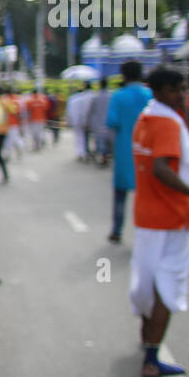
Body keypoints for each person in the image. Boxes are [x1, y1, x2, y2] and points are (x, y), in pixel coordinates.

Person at [129, 68, 189, 377]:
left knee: (148, 282)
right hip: (171, 217)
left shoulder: (146, 119)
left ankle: (147, 345)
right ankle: (152, 359)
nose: (181, 95)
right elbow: (160, 169)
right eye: (175, 90)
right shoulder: (168, 122)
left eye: (182, 89)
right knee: (166, 286)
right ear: (159, 91)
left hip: (147, 216)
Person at [105, 61, 152, 243]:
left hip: (125, 151)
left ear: (123, 76)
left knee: (120, 194)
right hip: (147, 151)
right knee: (146, 194)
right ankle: (146, 229)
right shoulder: (150, 95)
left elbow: (112, 122)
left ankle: (117, 230)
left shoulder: (118, 97)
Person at [65, 83, 94, 162]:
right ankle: (84, 152)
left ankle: (81, 153)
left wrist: (69, 121)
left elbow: (69, 112)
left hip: (76, 121)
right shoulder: (84, 98)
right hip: (84, 120)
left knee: (78, 137)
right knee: (85, 137)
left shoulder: (72, 99)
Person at [90, 78, 112, 166]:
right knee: (108, 142)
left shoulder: (96, 97)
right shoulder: (112, 96)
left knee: (100, 142)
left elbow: (91, 111)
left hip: (98, 123)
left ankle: (102, 156)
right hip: (109, 123)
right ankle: (106, 156)